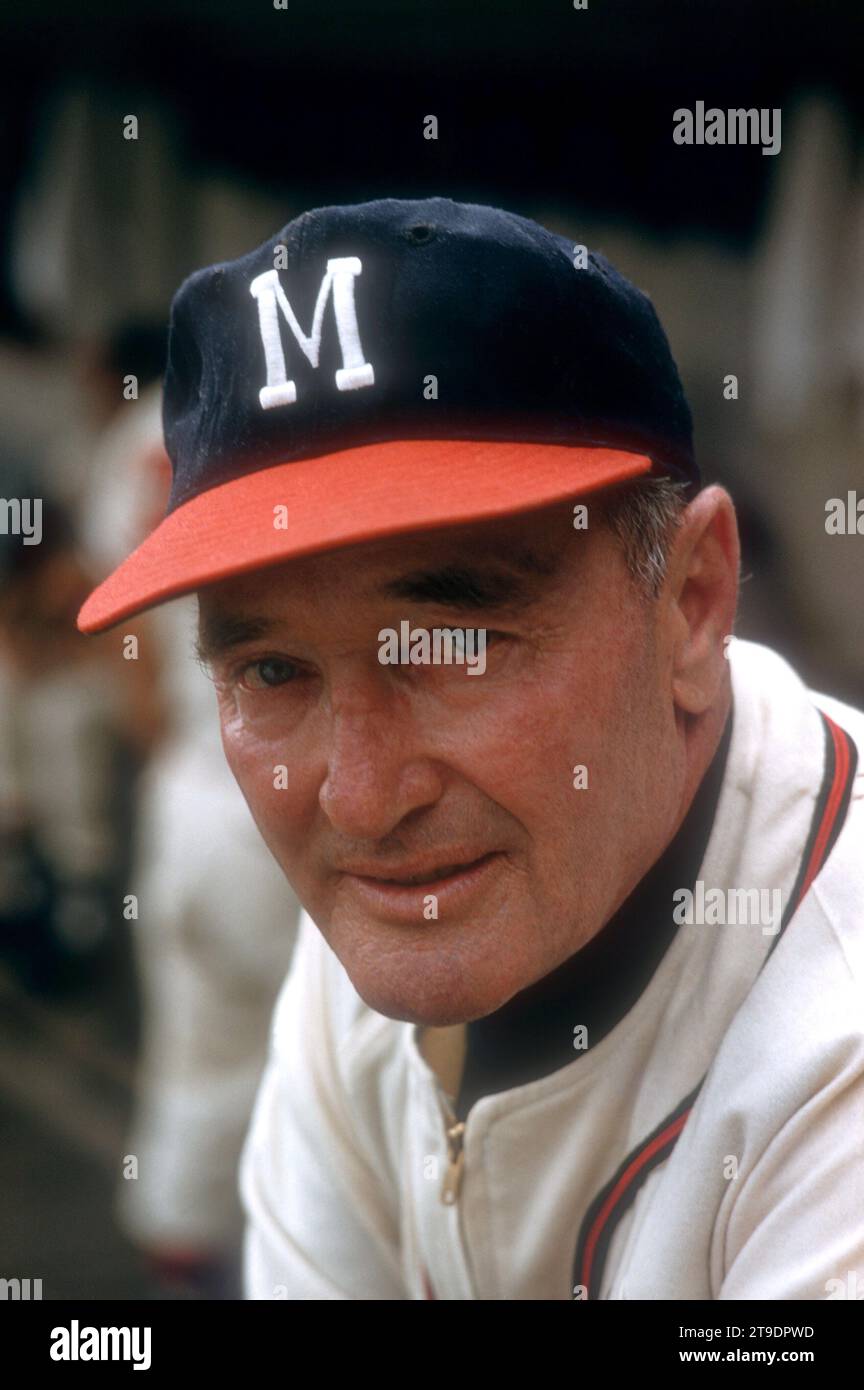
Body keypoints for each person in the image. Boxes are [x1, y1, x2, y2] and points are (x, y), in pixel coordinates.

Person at [77, 196, 863, 1300]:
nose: (358, 800)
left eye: (452, 645)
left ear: (691, 602)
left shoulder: (838, 1035)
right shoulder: (401, 912)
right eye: (271, 671)